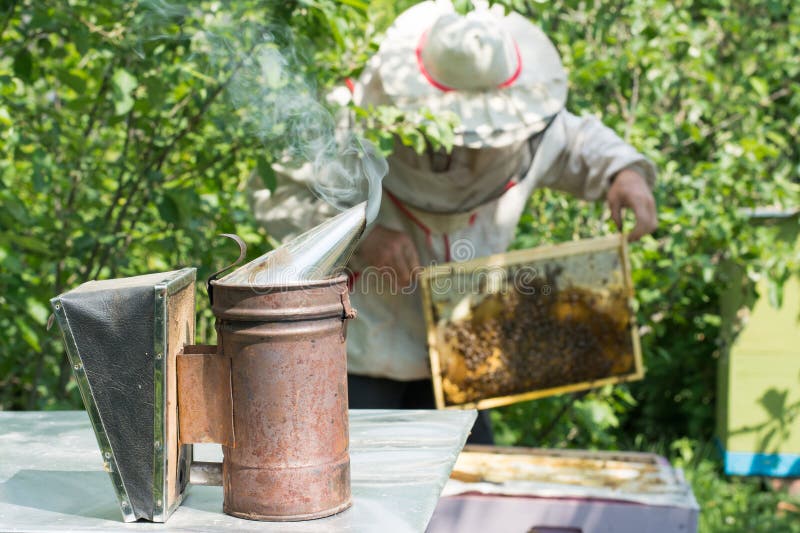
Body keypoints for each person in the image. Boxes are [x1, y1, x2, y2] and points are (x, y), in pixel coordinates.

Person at [253, 1, 657, 444]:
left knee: (471, 496)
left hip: (468, 350)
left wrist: (625, 173)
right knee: (362, 494)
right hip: (366, 353)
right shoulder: (351, 116)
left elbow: (578, 140)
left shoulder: (527, 122)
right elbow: (275, 194)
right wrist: (360, 239)